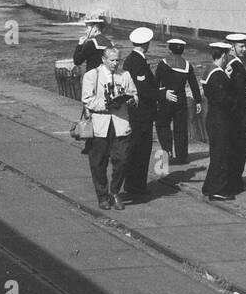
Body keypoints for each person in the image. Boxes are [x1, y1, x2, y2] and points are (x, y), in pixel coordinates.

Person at [82, 45, 137, 209]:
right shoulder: (92, 75)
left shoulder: (125, 75)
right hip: (100, 124)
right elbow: (87, 99)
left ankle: (114, 191)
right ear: (103, 60)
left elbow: (134, 93)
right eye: (112, 60)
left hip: (120, 123)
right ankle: (102, 196)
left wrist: (131, 100)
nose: (115, 64)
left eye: (118, 60)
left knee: (122, 160)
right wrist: (106, 104)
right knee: (99, 162)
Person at [122, 26, 160, 197]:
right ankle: (137, 187)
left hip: (135, 112)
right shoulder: (138, 62)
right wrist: (162, 93)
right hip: (141, 113)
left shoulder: (130, 60)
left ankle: (133, 185)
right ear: (146, 43)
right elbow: (144, 90)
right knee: (141, 150)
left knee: (135, 149)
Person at [155, 38, 202, 165]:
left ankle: (167, 151)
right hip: (181, 100)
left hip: (166, 98)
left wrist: (159, 96)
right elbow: (194, 85)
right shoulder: (187, 65)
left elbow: (155, 83)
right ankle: (181, 156)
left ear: (170, 49)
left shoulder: (163, 63)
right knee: (181, 129)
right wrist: (198, 101)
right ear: (182, 50)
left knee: (162, 125)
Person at [200, 42, 235, 199]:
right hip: (221, 118)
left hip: (212, 116)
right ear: (223, 56)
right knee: (221, 154)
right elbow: (223, 98)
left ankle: (209, 186)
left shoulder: (208, 70)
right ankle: (218, 190)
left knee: (216, 154)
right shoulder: (218, 74)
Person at [225, 33, 246, 190]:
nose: (244, 49)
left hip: (229, 113)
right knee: (239, 148)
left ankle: (231, 180)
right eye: (241, 46)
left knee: (231, 147)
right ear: (232, 47)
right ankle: (235, 182)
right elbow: (239, 93)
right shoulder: (237, 66)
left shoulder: (226, 62)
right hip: (238, 114)